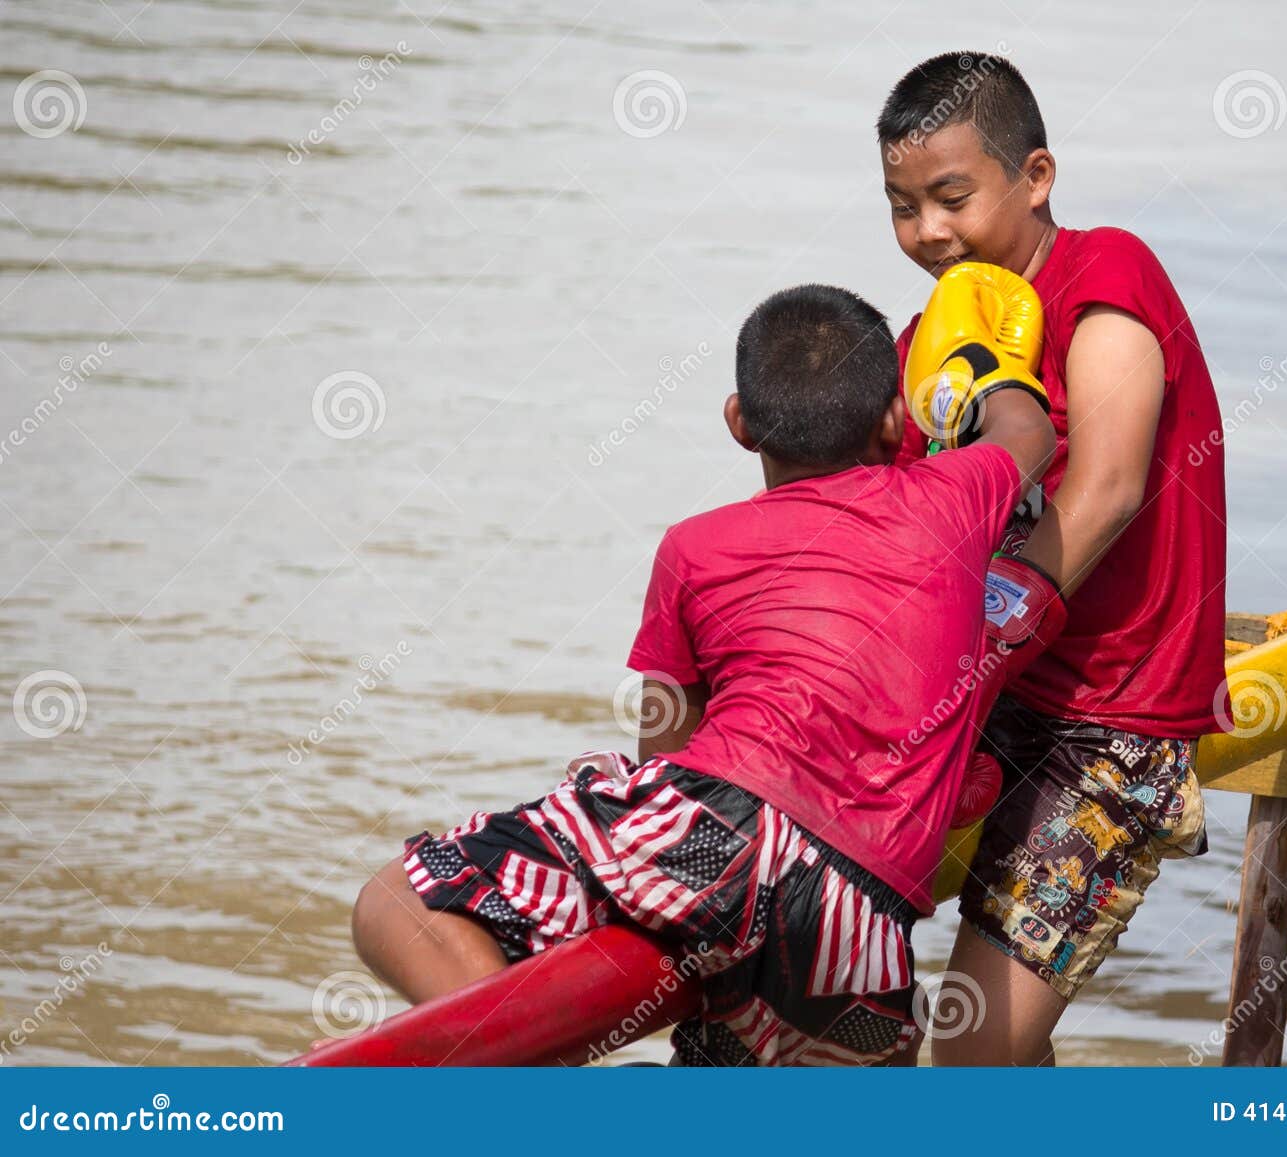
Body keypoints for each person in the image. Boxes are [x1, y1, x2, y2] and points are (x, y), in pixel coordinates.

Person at [348, 277, 1059, 1065]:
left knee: (397, 899)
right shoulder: (952, 498)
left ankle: (518, 1084)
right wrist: (966, 373)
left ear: (739, 423)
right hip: (865, 916)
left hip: (715, 831)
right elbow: (1028, 428)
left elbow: (665, 749)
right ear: (895, 421)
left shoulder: (692, 546)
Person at [878, 51, 1230, 1065]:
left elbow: (1108, 488)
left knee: (972, 1046)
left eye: (951, 197)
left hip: (1113, 717)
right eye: (902, 207)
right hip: (989, 705)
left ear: (1036, 176)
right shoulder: (926, 339)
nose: (928, 232)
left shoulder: (1105, 270)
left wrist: (979, 637)